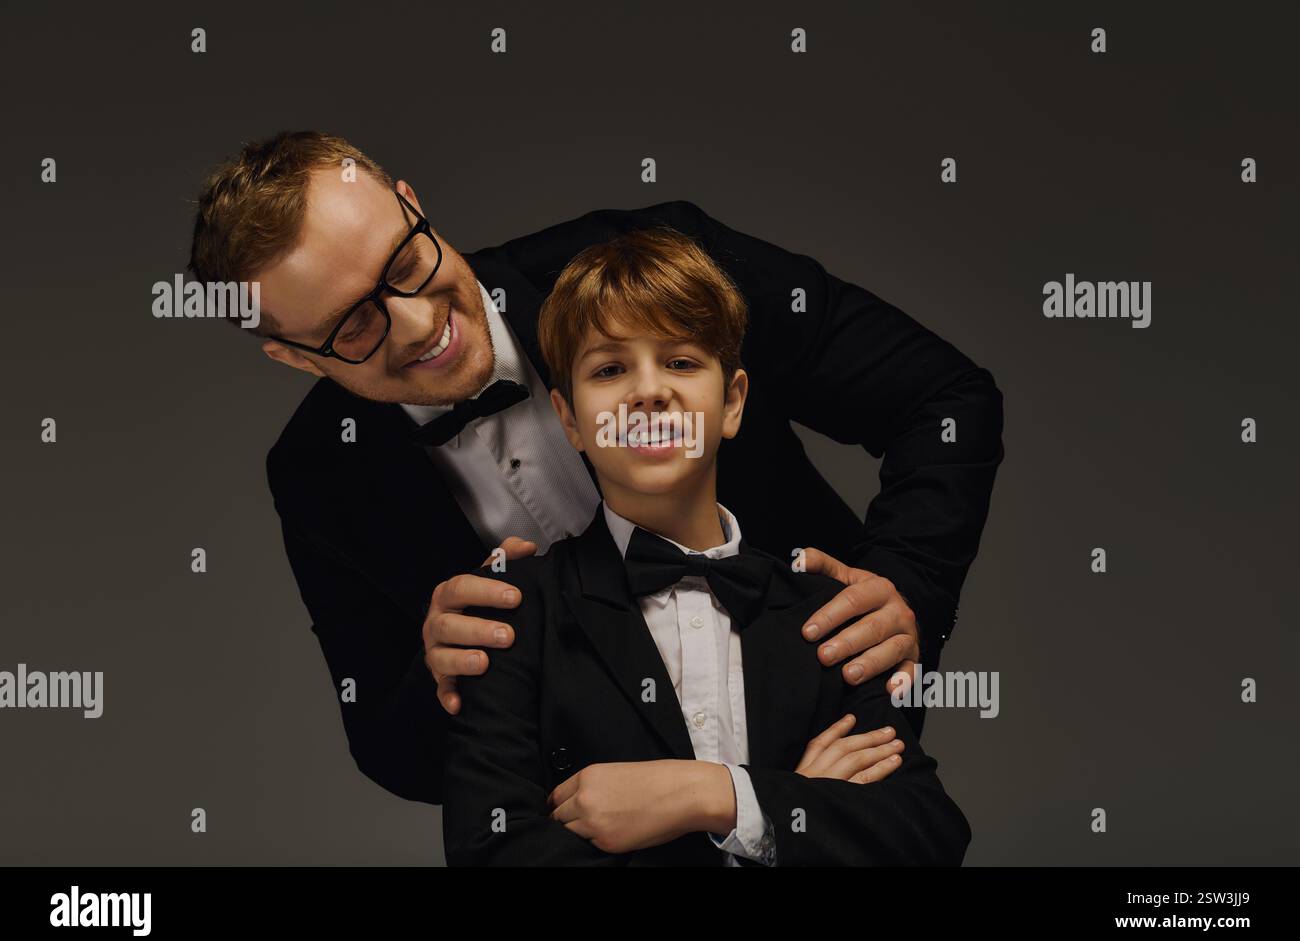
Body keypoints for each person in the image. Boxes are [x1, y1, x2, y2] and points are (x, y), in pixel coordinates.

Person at [187, 130, 1003, 805]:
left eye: (405, 266)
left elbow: (944, 397)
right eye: (353, 326)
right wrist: (440, 680)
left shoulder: (659, 261)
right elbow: (389, 750)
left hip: (834, 762)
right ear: (295, 358)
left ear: (412, 203)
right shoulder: (316, 476)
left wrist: (911, 585)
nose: (414, 324)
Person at [441, 227, 970, 865]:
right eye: (610, 369)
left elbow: (926, 840)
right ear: (571, 420)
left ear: (732, 402)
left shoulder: (829, 614)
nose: (648, 390)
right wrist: (798, 807)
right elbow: (493, 856)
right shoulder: (513, 616)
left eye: (682, 361)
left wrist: (718, 796)